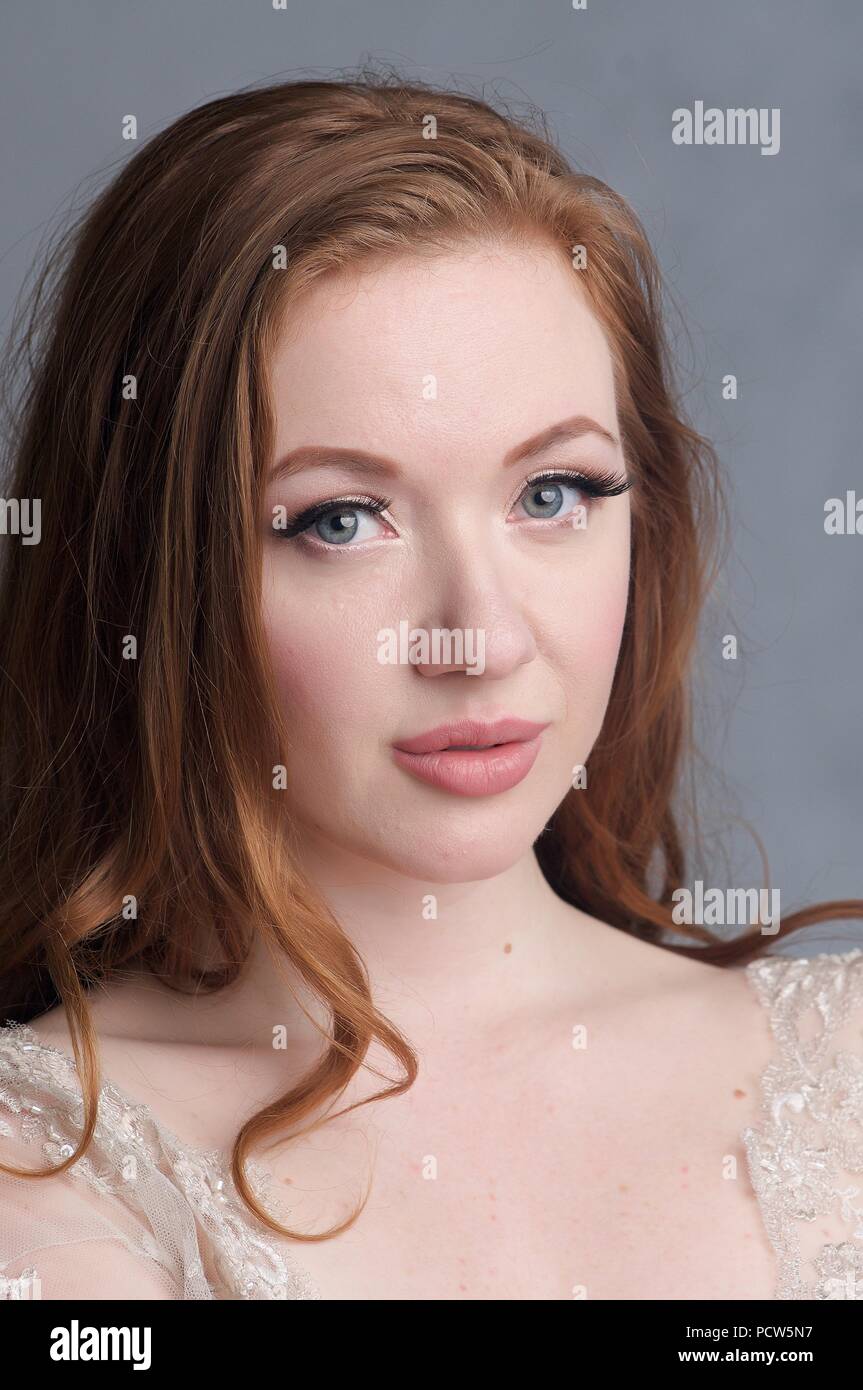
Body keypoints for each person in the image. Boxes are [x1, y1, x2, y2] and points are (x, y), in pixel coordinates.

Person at [1, 73, 861, 1302]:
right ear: (152, 571)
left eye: (551, 494)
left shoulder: (845, 1074)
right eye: (341, 519)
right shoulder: (46, 1166)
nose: (481, 636)